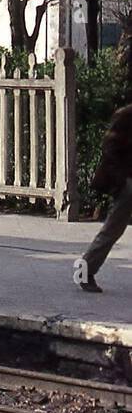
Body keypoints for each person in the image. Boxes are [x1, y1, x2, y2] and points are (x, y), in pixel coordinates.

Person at [76, 104, 132, 293]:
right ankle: (85, 270)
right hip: (128, 182)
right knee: (113, 228)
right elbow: (109, 149)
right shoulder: (125, 115)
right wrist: (121, 180)